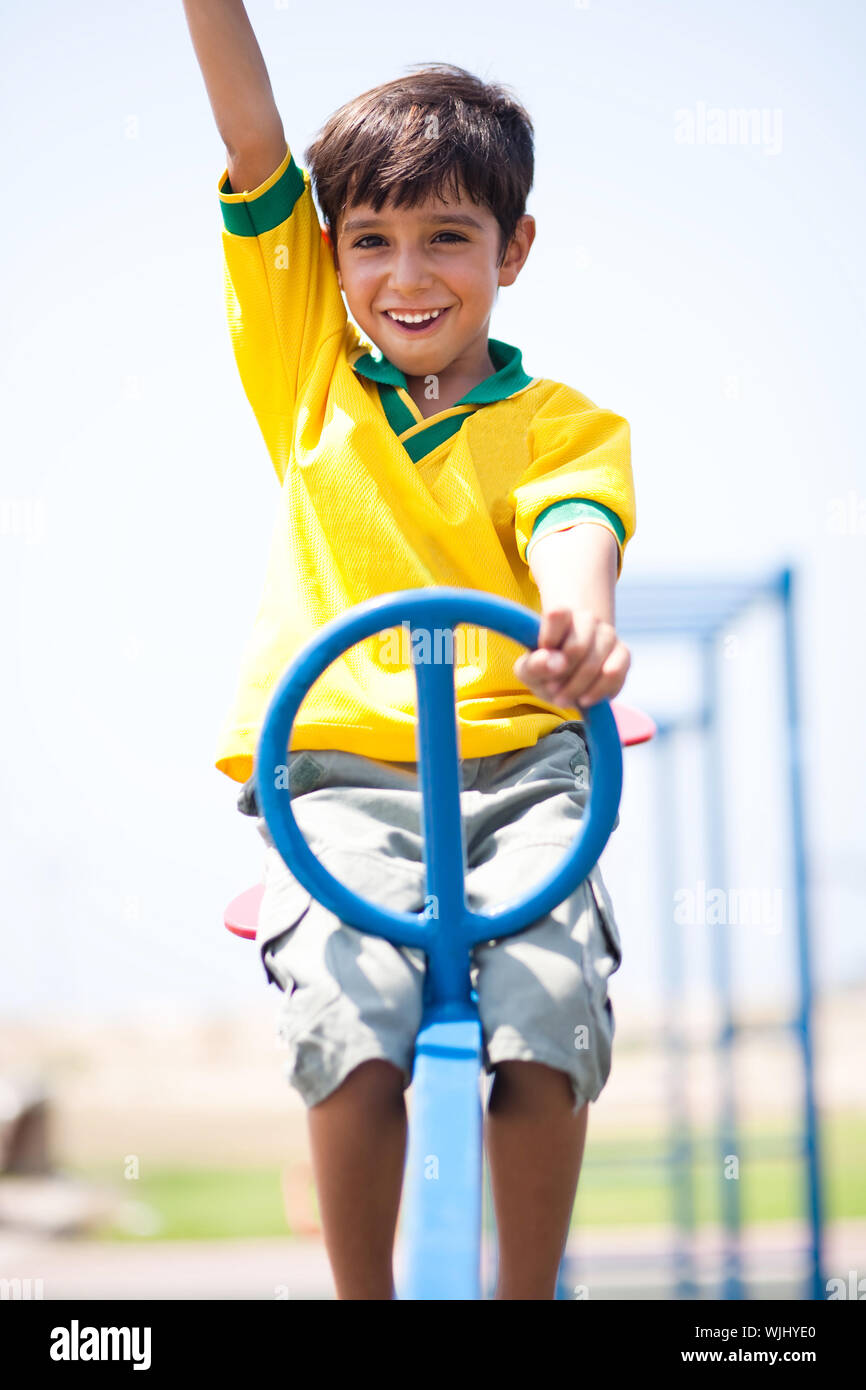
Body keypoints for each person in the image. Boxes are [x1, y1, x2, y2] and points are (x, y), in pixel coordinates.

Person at [183, 0, 636, 1300]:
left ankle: (521, 1293)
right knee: (349, 1007)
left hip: (528, 781)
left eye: (449, 237)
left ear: (514, 248)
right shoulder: (310, 374)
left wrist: (576, 622)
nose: (407, 274)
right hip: (334, 787)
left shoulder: (563, 424)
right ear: (329, 260)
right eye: (370, 241)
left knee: (548, 1000)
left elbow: (573, 531)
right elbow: (254, 137)